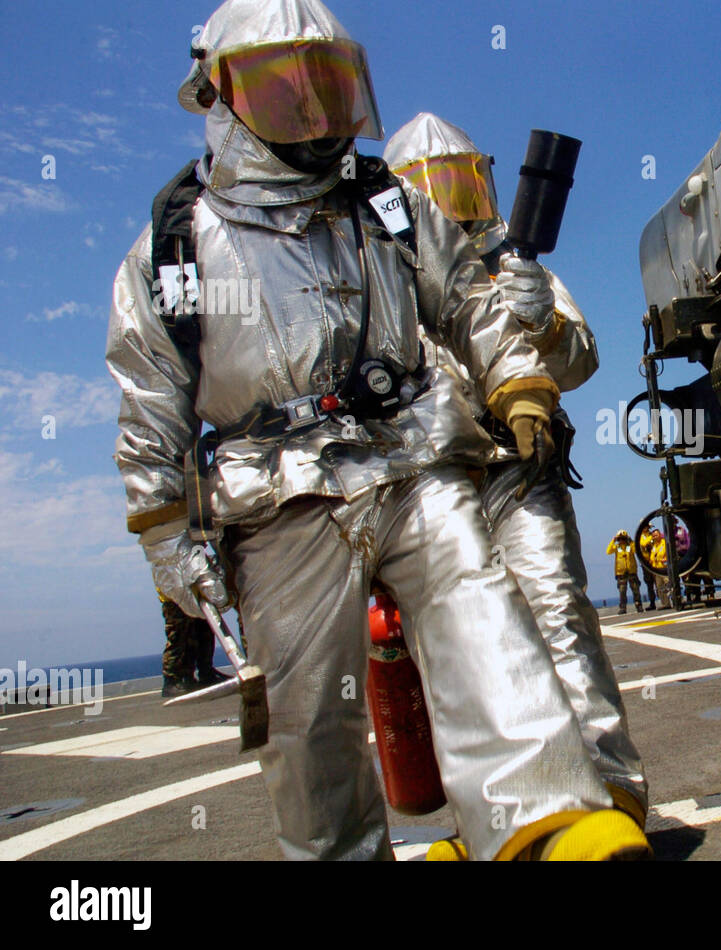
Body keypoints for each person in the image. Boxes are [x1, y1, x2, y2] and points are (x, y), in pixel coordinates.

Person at [106, 0, 648, 862]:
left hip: (417, 460)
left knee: (485, 608)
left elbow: (468, 299)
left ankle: (547, 818)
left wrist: (519, 373)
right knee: (309, 717)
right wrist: (166, 531)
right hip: (274, 497)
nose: (318, 118)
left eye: (329, 90)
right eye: (290, 94)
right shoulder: (174, 250)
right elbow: (152, 394)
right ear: (220, 96)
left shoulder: (384, 208)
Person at [383, 113, 648, 843]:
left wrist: (546, 324)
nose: (452, 204)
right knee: (462, 655)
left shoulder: (518, 268)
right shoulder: (380, 271)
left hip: (519, 468)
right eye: (432, 190)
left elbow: (581, 362)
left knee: (560, 618)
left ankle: (609, 798)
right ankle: (500, 825)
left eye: (461, 183)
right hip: (433, 484)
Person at [159, 590, 229, 698]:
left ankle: (205, 674)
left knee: (202, 634)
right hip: (175, 599)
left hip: (195, 597)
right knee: (178, 638)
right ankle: (171, 681)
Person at [606, 530, 643, 615]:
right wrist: (613, 540)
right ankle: (623, 607)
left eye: (623, 538)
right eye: (620, 538)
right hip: (621, 573)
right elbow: (608, 551)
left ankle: (639, 605)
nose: (621, 540)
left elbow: (636, 551)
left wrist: (632, 542)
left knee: (635, 590)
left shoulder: (629, 546)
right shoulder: (617, 547)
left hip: (631, 572)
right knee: (622, 591)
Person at [648, 528, 672, 608]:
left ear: (660, 535)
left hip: (665, 568)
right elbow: (651, 557)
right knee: (660, 587)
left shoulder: (664, 543)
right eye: (653, 536)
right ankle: (665, 604)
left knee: (670, 585)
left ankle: (677, 600)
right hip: (657, 570)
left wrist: (665, 559)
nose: (655, 537)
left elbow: (669, 553)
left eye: (656, 535)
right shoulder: (654, 546)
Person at [639, 526, 659, 610]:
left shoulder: (652, 535)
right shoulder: (641, 536)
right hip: (646, 562)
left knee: (658, 581)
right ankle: (652, 602)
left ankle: (666, 601)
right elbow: (643, 543)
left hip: (655, 561)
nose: (646, 528)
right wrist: (651, 537)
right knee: (649, 583)